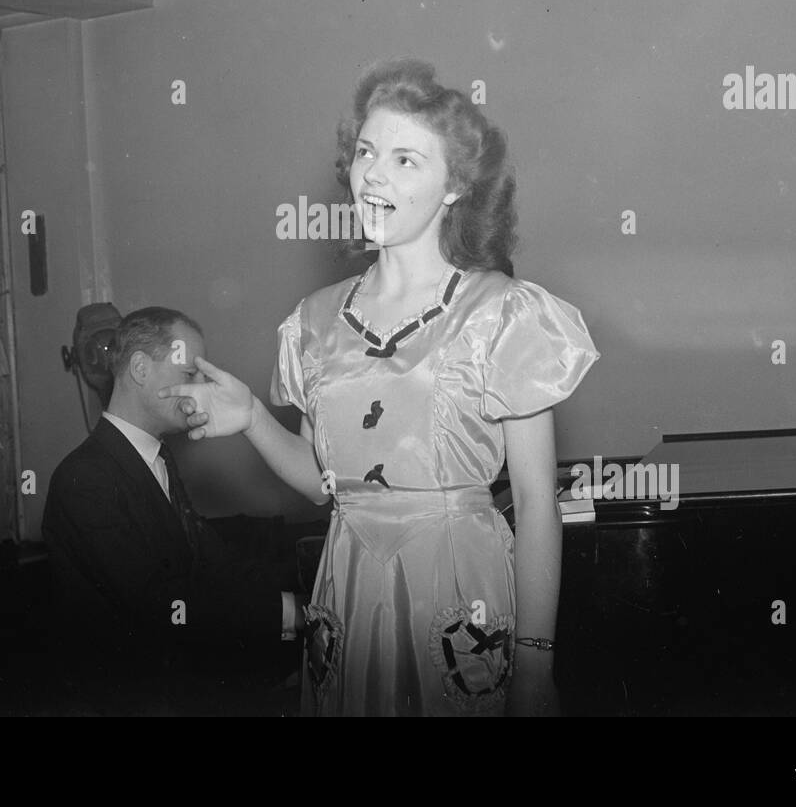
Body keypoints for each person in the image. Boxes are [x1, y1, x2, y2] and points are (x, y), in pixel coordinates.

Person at [159, 59, 600, 716]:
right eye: (367, 153)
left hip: (460, 585)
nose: (374, 174)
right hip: (350, 584)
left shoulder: (503, 311)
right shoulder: (314, 320)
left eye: (404, 160)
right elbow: (322, 483)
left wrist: (536, 663)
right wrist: (252, 416)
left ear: (454, 187)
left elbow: (537, 503)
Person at [42, 306, 301, 714]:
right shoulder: (85, 478)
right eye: (189, 375)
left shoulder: (156, 458)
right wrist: (288, 614)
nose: (200, 390)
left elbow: (212, 563)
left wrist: (300, 597)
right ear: (141, 369)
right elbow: (160, 605)